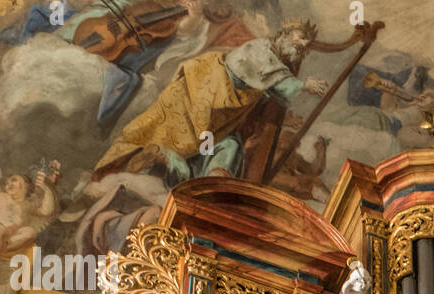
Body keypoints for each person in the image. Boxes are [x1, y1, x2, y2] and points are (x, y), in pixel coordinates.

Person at [93, 20, 328, 183]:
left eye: (306, 45)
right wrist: (301, 85)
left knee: (230, 146)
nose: (303, 44)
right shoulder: (261, 49)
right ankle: (143, 159)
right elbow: (261, 72)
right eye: (302, 37)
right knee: (164, 132)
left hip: (218, 115)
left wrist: (287, 113)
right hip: (203, 91)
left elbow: (268, 89)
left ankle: (210, 182)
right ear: (285, 32)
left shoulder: (273, 69)